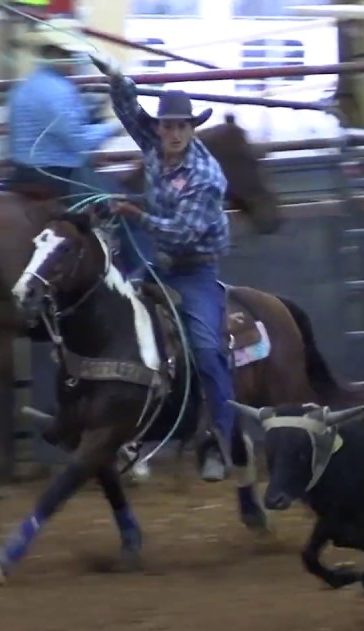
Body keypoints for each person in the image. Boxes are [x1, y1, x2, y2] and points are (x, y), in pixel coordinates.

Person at [87, 50, 236, 484]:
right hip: (162, 264)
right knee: (115, 319)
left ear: (192, 129)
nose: (173, 133)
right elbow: (129, 111)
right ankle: (118, 427)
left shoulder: (206, 177)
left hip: (195, 270)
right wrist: (117, 76)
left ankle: (219, 439)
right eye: (167, 125)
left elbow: (182, 234)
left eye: (181, 126)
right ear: (161, 128)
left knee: (206, 349)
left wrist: (134, 213)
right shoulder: (155, 146)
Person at [5, 21, 120, 199]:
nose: (75, 60)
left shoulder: (25, 86)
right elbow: (79, 141)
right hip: (57, 174)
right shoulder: (59, 90)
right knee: (116, 200)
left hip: (22, 171)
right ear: (58, 55)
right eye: (71, 54)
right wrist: (113, 127)